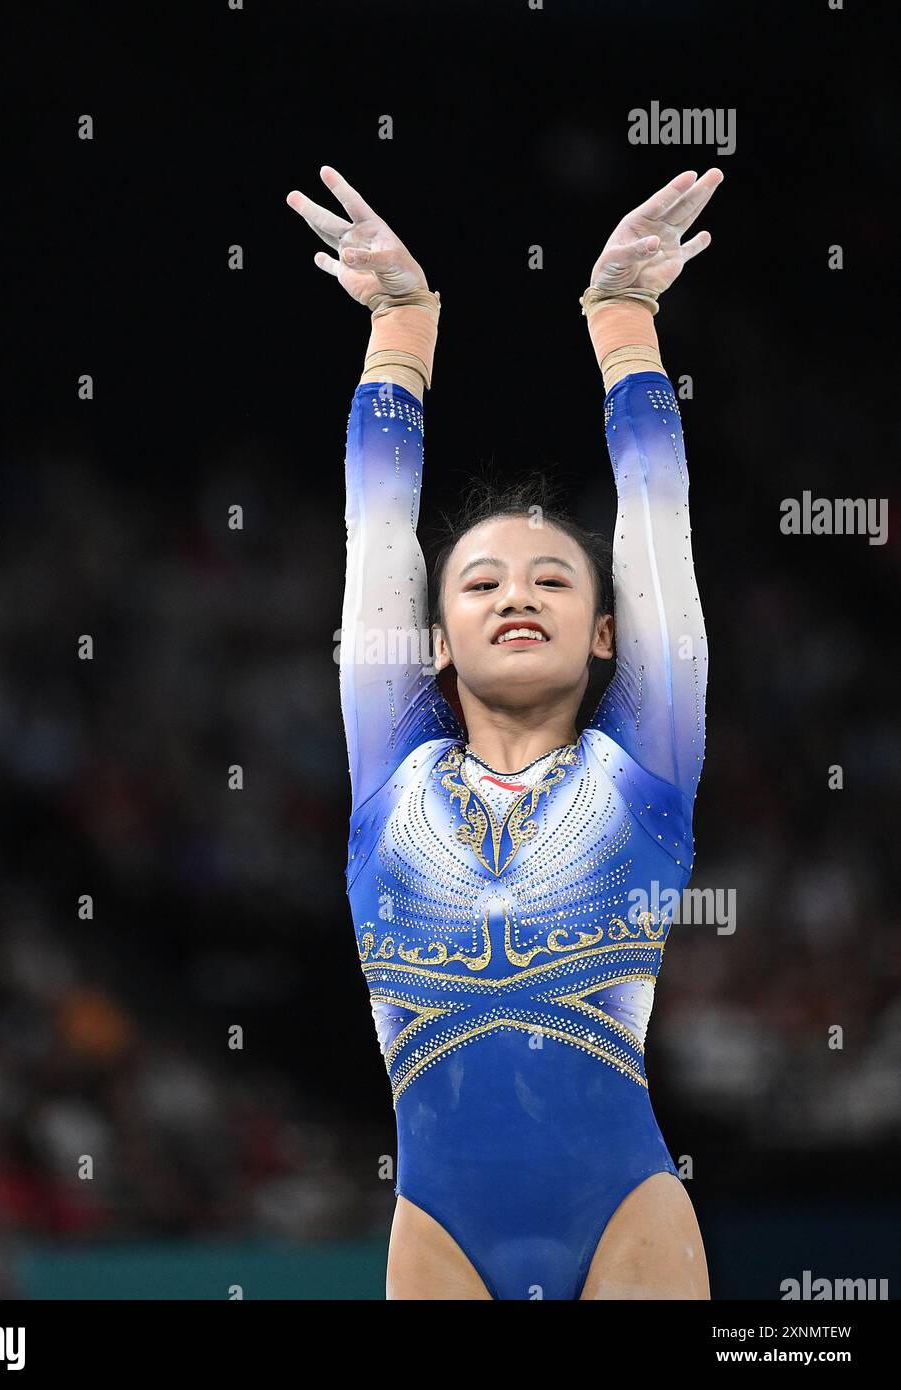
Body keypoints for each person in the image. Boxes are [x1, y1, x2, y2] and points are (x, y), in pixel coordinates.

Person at [286, 163, 721, 1300]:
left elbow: (657, 519)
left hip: (626, 1204)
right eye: (478, 581)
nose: (515, 594)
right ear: (432, 641)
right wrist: (399, 328)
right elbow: (375, 527)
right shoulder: (391, 770)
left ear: (608, 633)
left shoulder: (645, 768)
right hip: (437, 1221)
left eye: (551, 580)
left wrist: (624, 319)